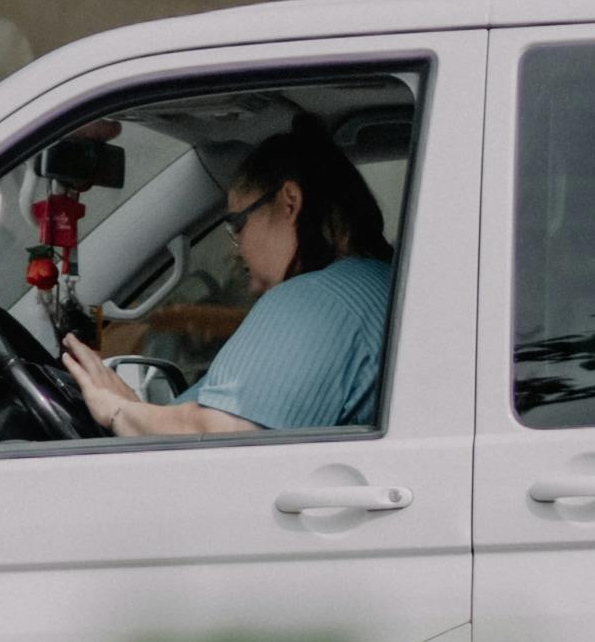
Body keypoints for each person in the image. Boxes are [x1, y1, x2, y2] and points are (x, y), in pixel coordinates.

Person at [61, 125, 393, 441]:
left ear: (289, 203)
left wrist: (117, 412)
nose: (236, 253)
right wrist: (139, 412)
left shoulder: (315, 301)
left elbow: (226, 435)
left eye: (237, 226)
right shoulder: (381, 285)